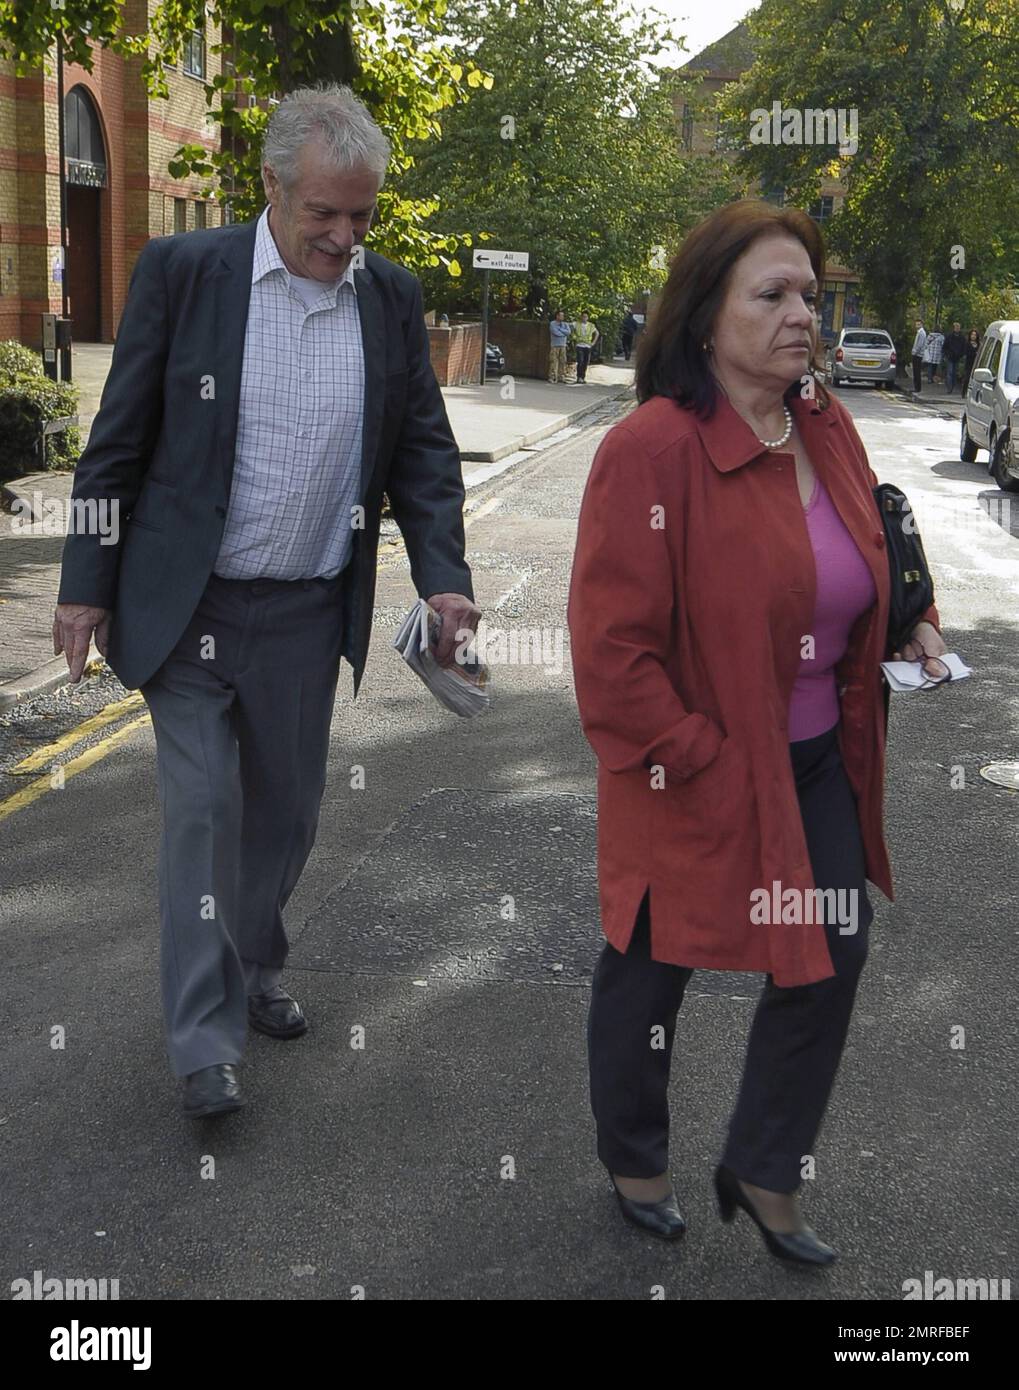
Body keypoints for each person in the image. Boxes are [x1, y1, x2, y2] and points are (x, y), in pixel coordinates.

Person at [53, 84, 480, 1120]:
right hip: (187, 602)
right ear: (270, 188)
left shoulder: (388, 297)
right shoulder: (183, 273)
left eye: (360, 218)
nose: (343, 238)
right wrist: (82, 585)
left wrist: (444, 573)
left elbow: (421, 449)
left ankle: (255, 964)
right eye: (322, 214)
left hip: (303, 608)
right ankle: (204, 1042)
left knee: (284, 819)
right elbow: (115, 446)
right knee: (201, 809)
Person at [568, 198, 946, 1264]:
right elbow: (610, 652)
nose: (800, 318)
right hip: (686, 767)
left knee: (826, 950)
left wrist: (904, 615)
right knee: (649, 971)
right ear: (703, 314)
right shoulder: (649, 450)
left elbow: (857, 555)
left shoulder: (821, 420)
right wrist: (691, 752)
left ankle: (764, 1168)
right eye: (770, 295)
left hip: (815, 756)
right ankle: (634, 1157)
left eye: (809, 298)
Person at [574, 311, 599, 383]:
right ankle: (579, 377)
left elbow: (597, 333)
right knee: (580, 361)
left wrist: (593, 342)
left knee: (585, 362)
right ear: (581, 317)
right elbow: (570, 328)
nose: (584, 318)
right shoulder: (577, 324)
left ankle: (583, 377)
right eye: (583, 316)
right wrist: (574, 337)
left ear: (588, 318)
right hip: (579, 345)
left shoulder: (591, 325)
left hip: (587, 346)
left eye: (586, 317)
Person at [942, 322, 966, 395]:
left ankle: (953, 386)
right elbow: (945, 346)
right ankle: (949, 388)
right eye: (956, 327)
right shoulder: (949, 336)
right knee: (950, 372)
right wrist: (946, 354)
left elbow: (964, 347)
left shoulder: (962, 338)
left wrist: (961, 354)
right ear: (954, 328)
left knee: (954, 372)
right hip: (950, 356)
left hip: (957, 357)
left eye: (958, 327)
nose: (957, 329)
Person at [548, 309, 572, 382]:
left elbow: (568, 332)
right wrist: (563, 333)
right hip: (555, 345)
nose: (562, 317)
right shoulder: (552, 323)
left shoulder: (565, 324)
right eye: (561, 315)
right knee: (553, 361)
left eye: (563, 315)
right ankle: (552, 376)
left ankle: (561, 376)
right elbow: (555, 333)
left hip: (563, 345)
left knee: (563, 361)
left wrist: (560, 329)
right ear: (557, 316)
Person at [961, 328, 980, 397]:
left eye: (975, 335)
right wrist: (974, 353)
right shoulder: (967, 344)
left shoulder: (979, 344)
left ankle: (974, 394)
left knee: (976, 379)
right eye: (972, 335)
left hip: (976, 364)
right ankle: (963, 392)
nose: (973, 336)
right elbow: (966, 353)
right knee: (967, 378)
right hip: (969, 363)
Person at [910, 319, 926, 393]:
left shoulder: (922, 333)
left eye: (919, 324)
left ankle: (917, 388)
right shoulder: (919, 332)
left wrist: (915, 353)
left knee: (917, 372)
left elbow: (919, 345)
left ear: (922, 324)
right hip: (917, 354)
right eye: (916, 324)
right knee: (915, 372)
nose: (917, 326)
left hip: (918, 355)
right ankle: (916, 387)